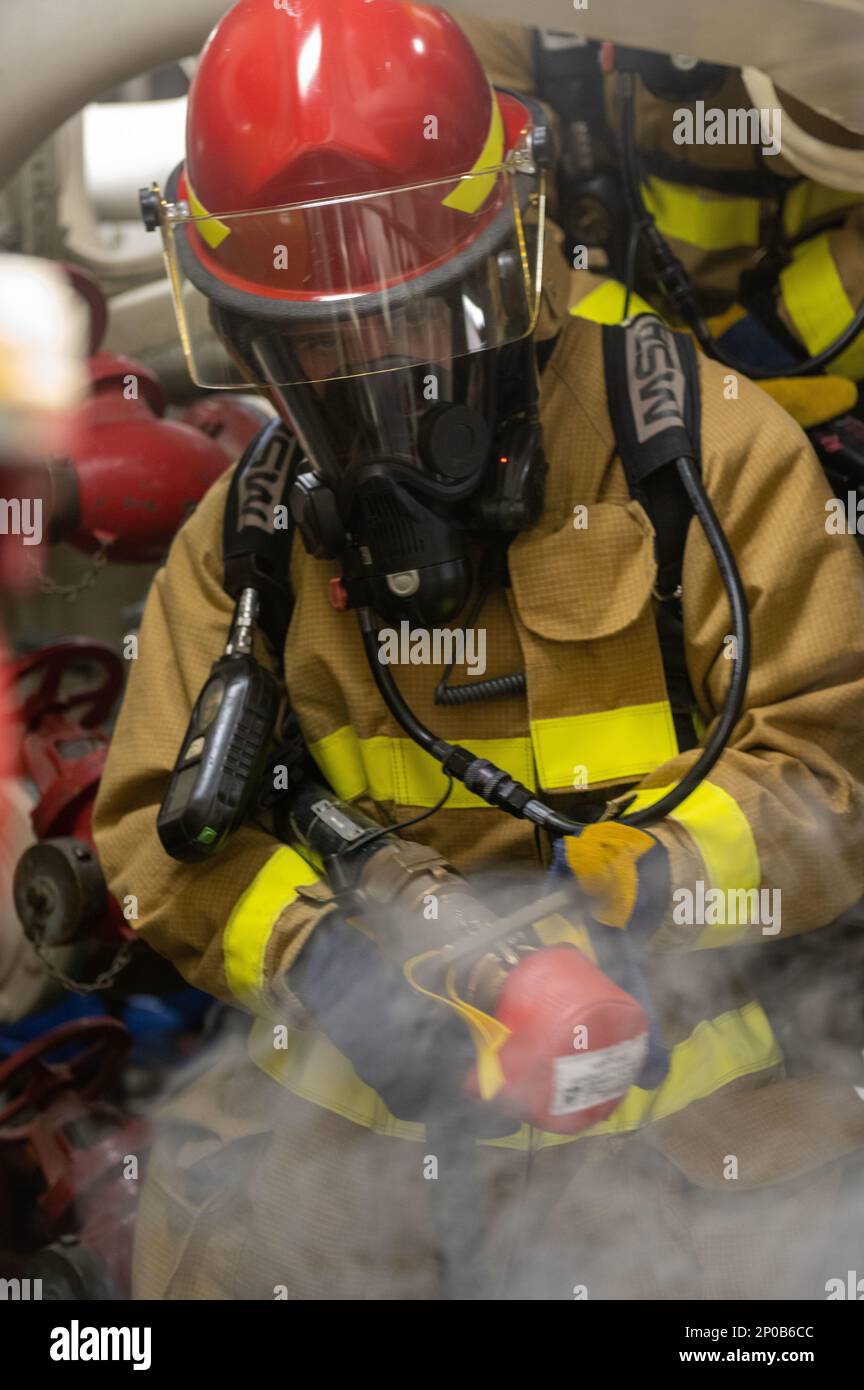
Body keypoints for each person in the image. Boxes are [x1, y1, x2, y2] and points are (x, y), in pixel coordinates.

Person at [94, 0, 864, 1301]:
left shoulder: (699, 451)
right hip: (350, 1198)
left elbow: (834, 772)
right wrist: (321, 955)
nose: (369, 381)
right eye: (316, 342)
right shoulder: (257, 528)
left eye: (410, 318)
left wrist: (637, 903)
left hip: (689, 1192)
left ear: (504, 256)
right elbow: (146, 840)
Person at [453, 15, 864, 432]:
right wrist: (641, 362)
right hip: (608, 352)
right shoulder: (503, 16)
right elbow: (498, 241)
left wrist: (773, 338)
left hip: (829, 330)